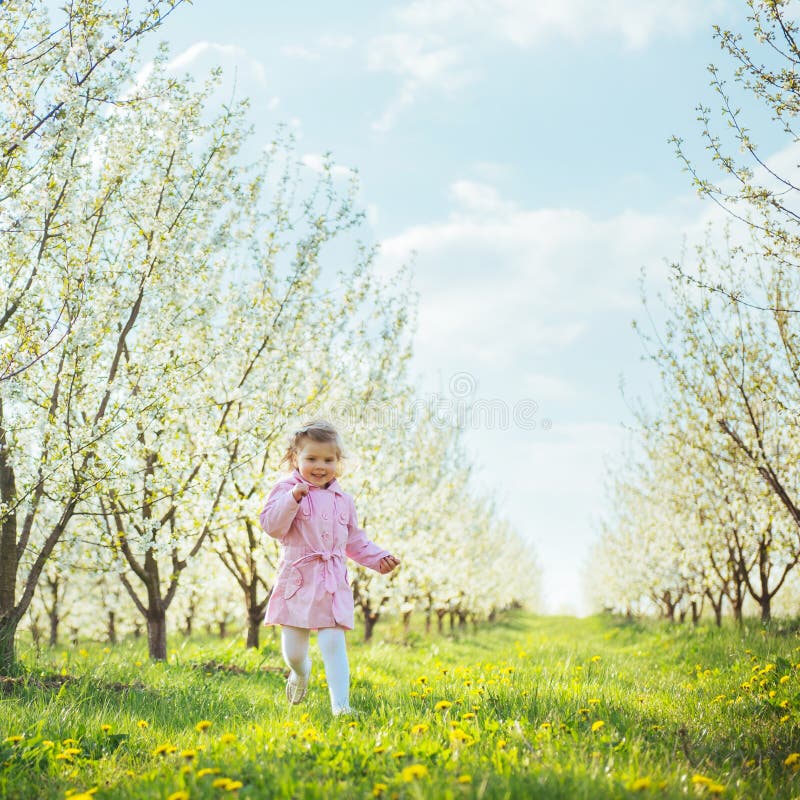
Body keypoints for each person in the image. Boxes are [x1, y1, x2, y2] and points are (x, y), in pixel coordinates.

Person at [259, 420, 400, 716]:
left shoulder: (343, 500)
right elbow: (271, 526)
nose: (320, 466)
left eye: (328, 459)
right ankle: (300, 672)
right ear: (295, 458)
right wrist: (292, 499)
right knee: (295, 652)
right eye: (311, 459)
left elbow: (354, 539)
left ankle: (341, 706)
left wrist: (378, 559)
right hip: (298, 578)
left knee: (334, 641)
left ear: (338, 462)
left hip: (331, 580)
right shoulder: (286, 489)